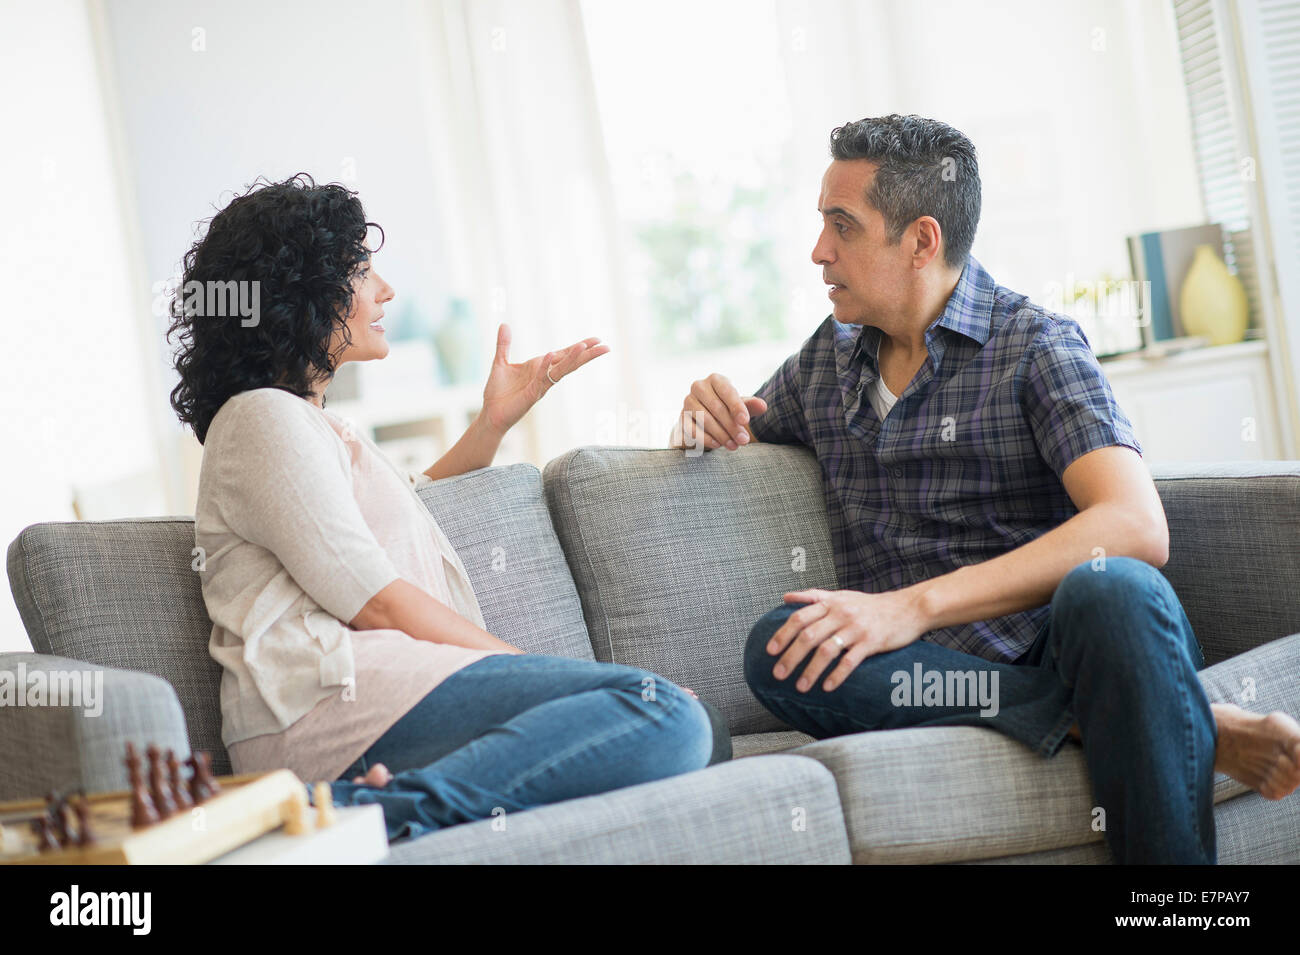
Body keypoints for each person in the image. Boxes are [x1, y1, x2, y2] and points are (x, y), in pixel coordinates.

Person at [670, 114, 1300, 864]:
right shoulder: (826, 362)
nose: (819, 251)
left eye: (843, 226)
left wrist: (912, 606)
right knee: (779, 644)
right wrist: (707, 410)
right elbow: (742, 424)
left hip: (1074, 646)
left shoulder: (1035, 344)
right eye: (821, 224)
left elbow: (1136, 523)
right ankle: (1169, 717)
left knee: (1111, 589)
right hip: (931, 681)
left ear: (922, 241)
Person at [170, 174, 721, 842]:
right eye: (362, 271)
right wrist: (540, 671)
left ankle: (386, 806)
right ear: (303, 293)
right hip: (325, 710)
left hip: (387, 697)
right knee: (664, 714)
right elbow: (374, 599)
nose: (386, 291)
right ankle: (356, 816)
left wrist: (490, 423)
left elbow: (406, 501)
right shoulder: (262, 419)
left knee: (698, 732)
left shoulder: (309, 424)